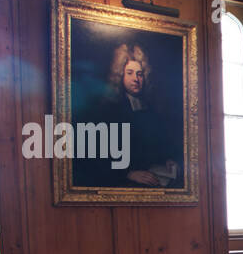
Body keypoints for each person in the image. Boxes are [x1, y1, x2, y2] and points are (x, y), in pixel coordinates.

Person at [75, 41, 182, 189]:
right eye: (130, 73)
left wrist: (167, 160)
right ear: (120, 75)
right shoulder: (108, 110)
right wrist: (128, 173)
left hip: (152, 179)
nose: (136, 79)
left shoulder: (150, 109)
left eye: (140, 74)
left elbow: (156, 145)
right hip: (119, 183)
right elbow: (95, 156)